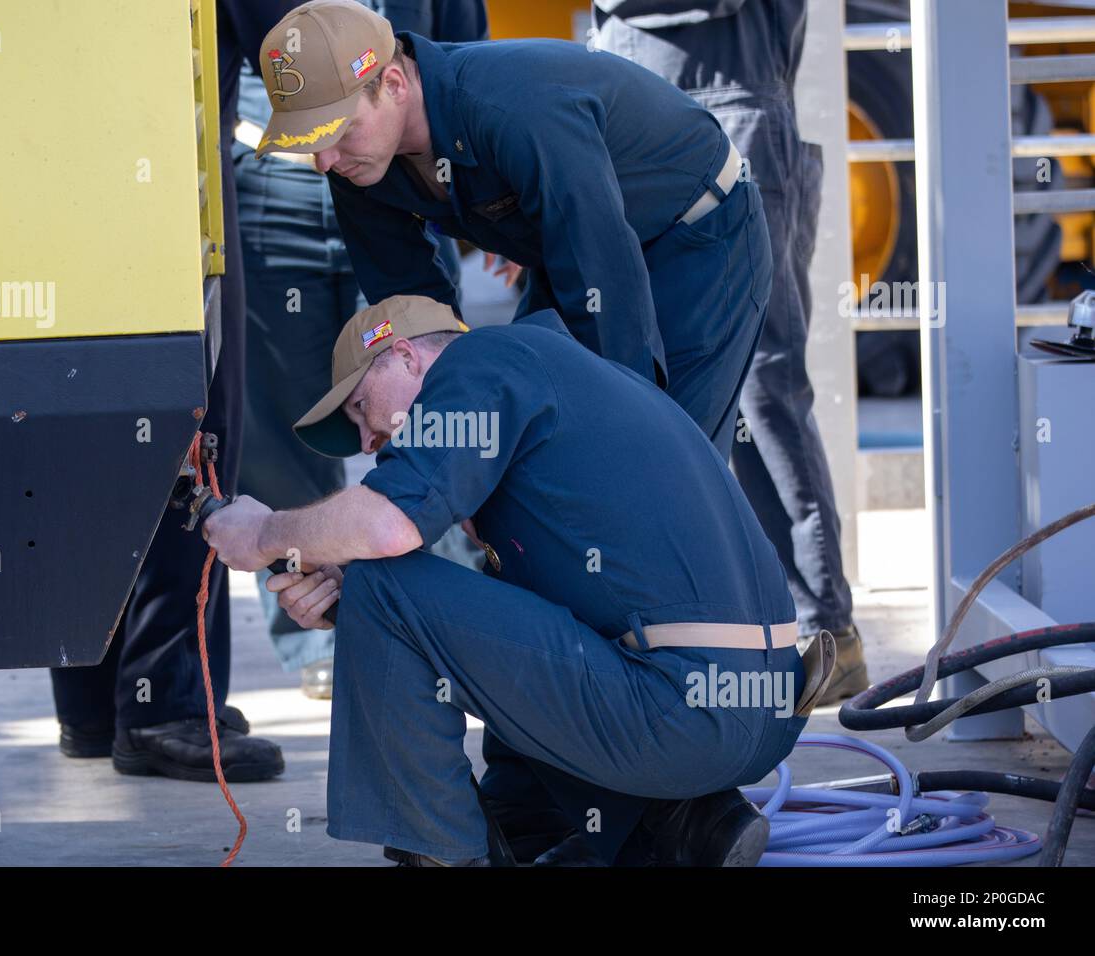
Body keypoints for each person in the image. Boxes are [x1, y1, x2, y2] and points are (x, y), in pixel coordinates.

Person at [203, 294, 809, 866]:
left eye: (362, 408)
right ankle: (668, 823)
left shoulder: (482, 361)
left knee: (383, 584)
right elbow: (509, 633)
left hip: (684, 712)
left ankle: (447, 852)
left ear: (406, 356)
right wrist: (351, 603)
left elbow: (388, 529)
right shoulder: (568, 377)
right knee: (396, 593)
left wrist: (266, 534)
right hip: (756, 706)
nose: (367, 442)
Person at [254, 0, 771, 459]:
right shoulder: (353, 163)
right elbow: (417, 318)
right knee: (533, 448)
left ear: (392, 84)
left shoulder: (513, 107)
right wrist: (442, 447)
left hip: (696, 238)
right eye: (310, 139)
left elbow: (605, 285)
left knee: (659, 461)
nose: (323, 160)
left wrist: (623, 435)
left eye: (339, 130)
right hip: (574, 254)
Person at [47, 0, 299, 782]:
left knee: (73, 423)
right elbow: (295, 45)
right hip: (166, 185)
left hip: (32, 184)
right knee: (190, 434)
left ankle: (94, 702)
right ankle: (164, 705)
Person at [591, 0, 866, 702]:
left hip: (730, 115)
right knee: (635, 385)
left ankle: (822, 632)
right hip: (628, 119)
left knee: (762, 387)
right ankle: (684, 628)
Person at [232, 0, 488, 700]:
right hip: (272, 185)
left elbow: (459, 51)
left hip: (400, 185)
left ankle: (462, 612)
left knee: (433, 396)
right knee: (286, 426)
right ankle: (316, 630)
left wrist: (486, 201)